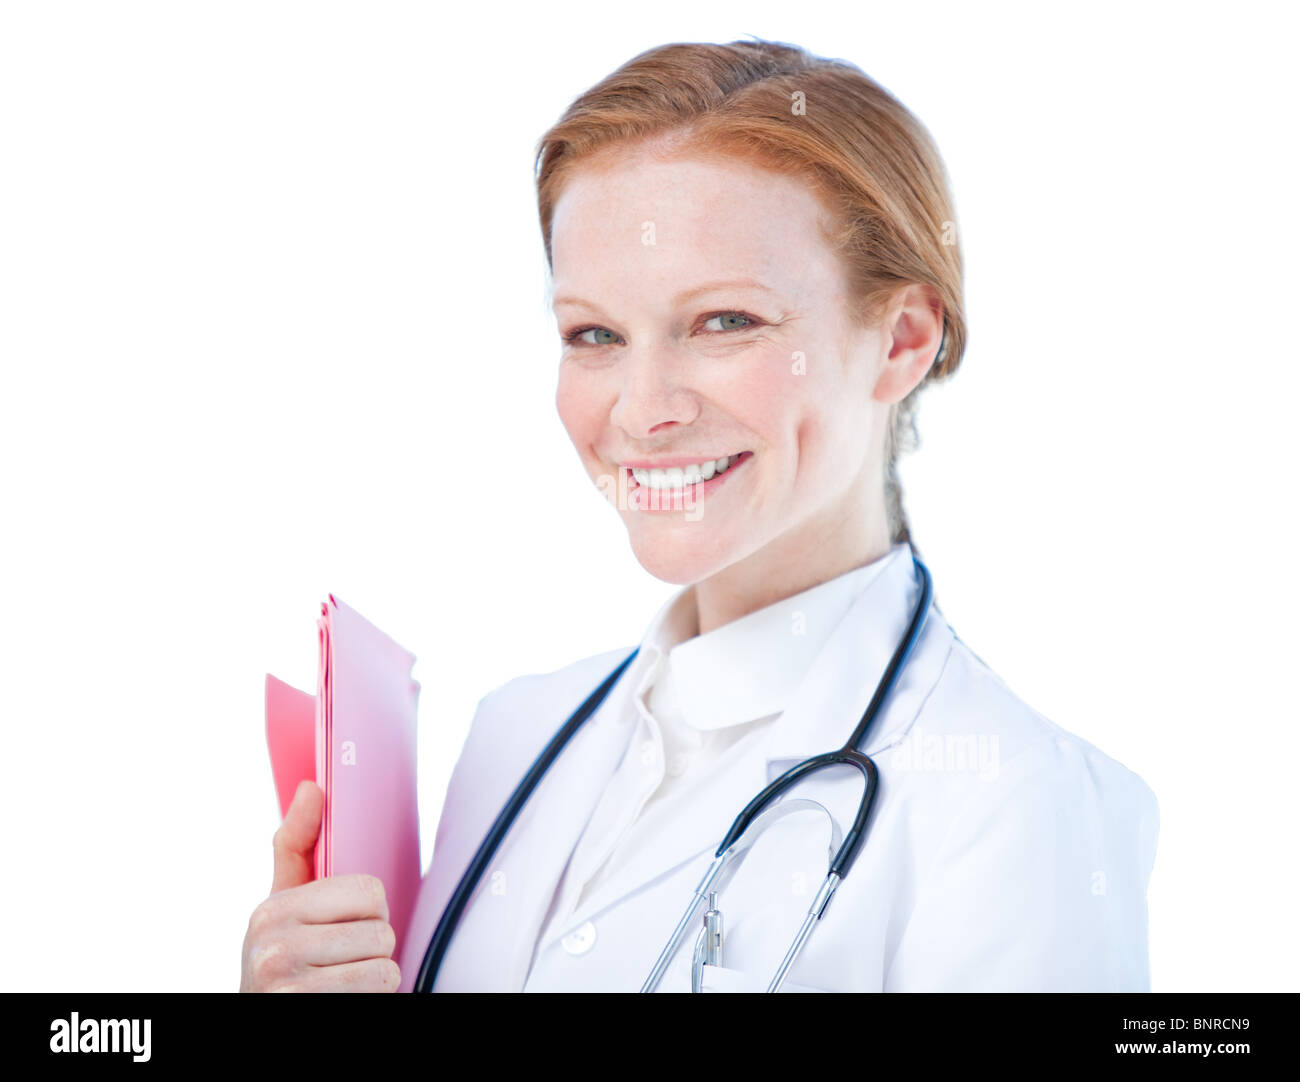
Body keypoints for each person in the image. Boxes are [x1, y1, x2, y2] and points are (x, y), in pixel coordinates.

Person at [241, 38, 1159, 993]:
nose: (643, 409)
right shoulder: (516, 735)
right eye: (594, 334)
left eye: (725, 322)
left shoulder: (1023, 805)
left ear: (901, 339)